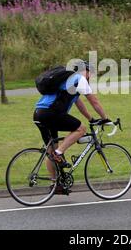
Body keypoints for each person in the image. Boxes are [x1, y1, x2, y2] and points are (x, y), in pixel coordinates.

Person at [33, 60, 110, 194]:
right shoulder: (79, 79)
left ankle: (55, 184)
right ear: (84, 71)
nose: (90, 76)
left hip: (39, 114)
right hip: (51, 113)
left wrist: (91, 119)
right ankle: (59, 153)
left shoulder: (68, 81)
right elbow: (94, 101)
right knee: (81, 129)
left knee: (51, 150)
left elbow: (79, 104)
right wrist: (105, 118)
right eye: (89, 73)